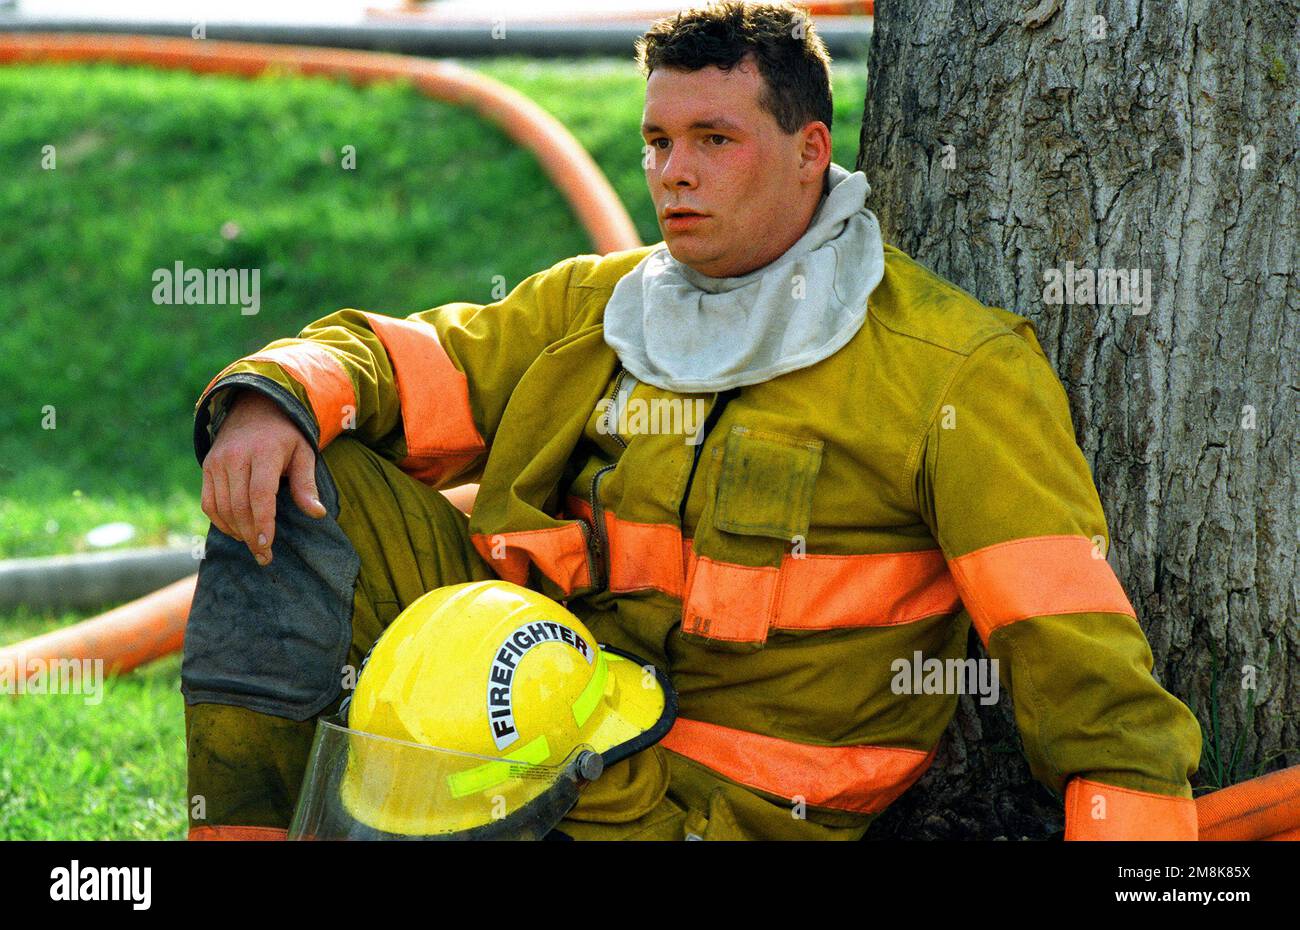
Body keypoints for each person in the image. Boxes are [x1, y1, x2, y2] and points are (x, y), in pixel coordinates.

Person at [183, 0, 1201, 841]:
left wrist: (1138, 843)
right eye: (658, 141)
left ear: (810, 152)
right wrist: (277, 398)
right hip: (546, 727)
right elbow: (415, 363)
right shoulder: (596, 304)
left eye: (714, 140)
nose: (673, 172)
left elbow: (1073, 649)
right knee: (302, 477)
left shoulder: (950, 372)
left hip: (730, 814)